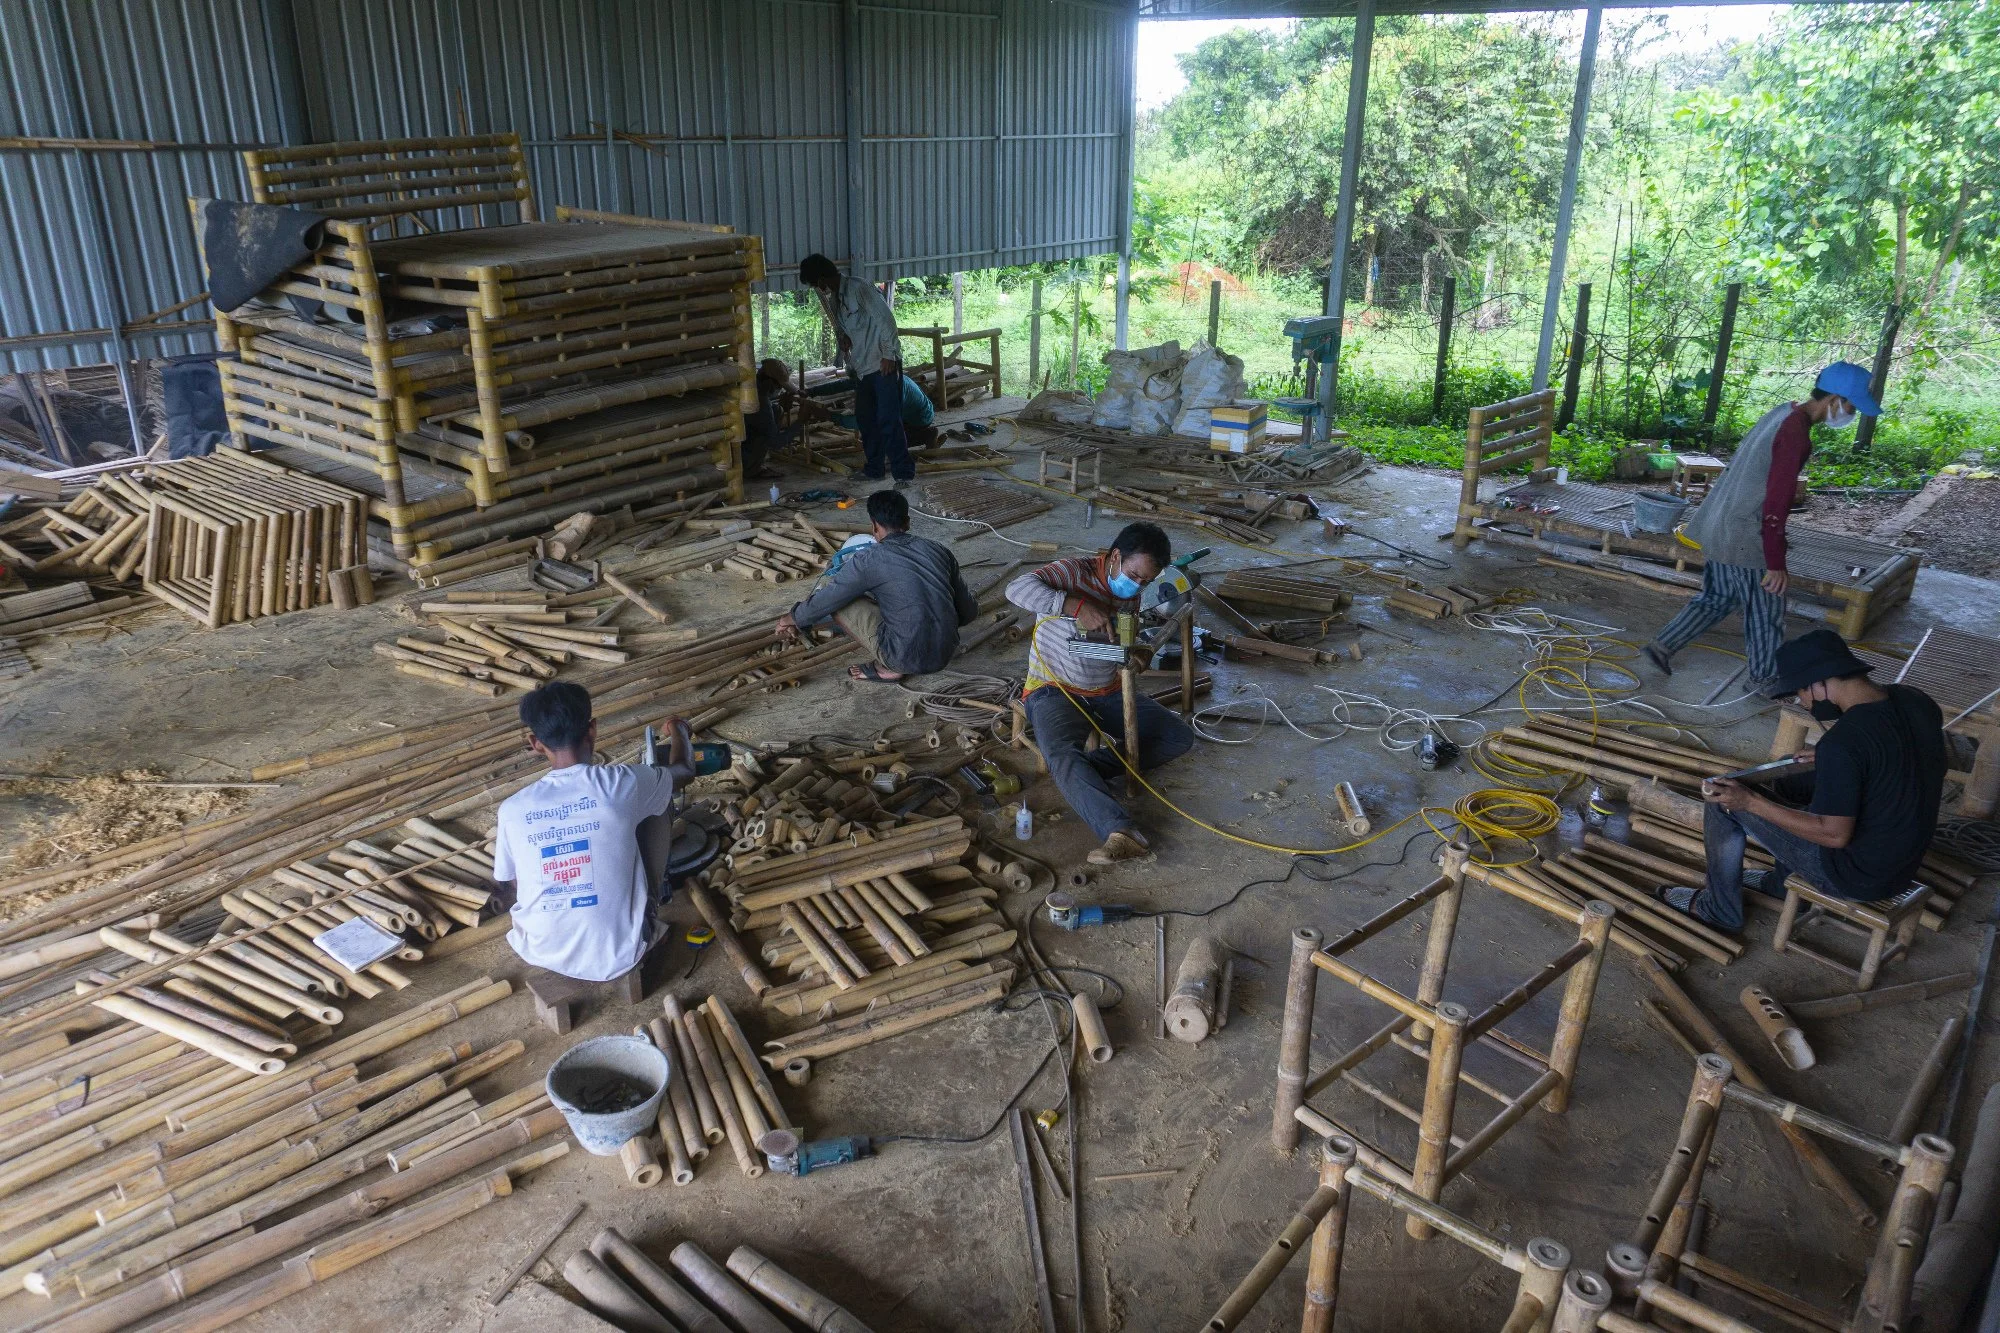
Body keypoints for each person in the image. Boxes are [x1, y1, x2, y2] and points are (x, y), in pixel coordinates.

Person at [1655, 629, 1946, 932]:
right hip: (1903, 862)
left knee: (1723, 800)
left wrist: (1751, 803)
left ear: (1818, 683)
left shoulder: (1843, 743)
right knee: (1790, 776)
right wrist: (1838, 762)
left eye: (1800, 693)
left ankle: (1719, 910)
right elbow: (1920, 763)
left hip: (1856, 877)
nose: (1804, 704)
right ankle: (1781, 884)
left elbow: (1834, 835)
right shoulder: (1916, 700)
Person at [1641, 362, 1880, 688]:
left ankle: (1661, 646)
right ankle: (1765, 681)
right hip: (1745, 533)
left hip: (1722, 523)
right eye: (1851, 406)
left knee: (1718, 598)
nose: (1851, 414)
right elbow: (1776, 503)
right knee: (1766, 609)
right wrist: (1775, 563)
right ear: (1835, 399)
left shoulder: (1784, 412)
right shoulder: (1795, 434)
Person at [1007, 522, 1196, 865]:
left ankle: (1079, 775)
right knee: (1063, 751)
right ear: (1115, 557)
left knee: (1177, 737)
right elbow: (1016, 589)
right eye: (1134, 575)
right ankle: (1122, 831)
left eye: (1146, 582)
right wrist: (1073, 605)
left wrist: (1137, 651)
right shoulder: (1071, 571)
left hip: (1107, 689)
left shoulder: (1131, 593)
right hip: (1054, 688)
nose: (1137, 586)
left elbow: (1120, 642)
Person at [491, 682, 696, 981]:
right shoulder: (622, 783)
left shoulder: (511, 809)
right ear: (593, 729)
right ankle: (648, 908)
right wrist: (679, 729)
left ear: (535, 743)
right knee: (659, 801)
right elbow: (685, 772)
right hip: (619, 953)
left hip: (538, 947)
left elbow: (510, 881)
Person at [776, 488, 976, 683]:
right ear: (907, 522)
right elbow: (968, 612)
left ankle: (888, 669)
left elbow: (829, 598)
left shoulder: (869, 559)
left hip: (902, 657)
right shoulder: (938, 549)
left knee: (840, 600)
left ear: (874, 526)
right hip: (947, 651)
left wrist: (793, 617)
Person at [799, 253, 913, 484]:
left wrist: (890, 354)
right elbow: (846, 330)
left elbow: (886, 320)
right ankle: (874, 469)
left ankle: (903, 473)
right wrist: (844, 339)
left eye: (815, 285)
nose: (818, 290)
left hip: (882, 364)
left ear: (821, 280)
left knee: (888, 419)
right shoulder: (835, 301)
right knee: (866, 419)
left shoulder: (859, 288)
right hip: (863, 368)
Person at [740, 358, 797, 480]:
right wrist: (800, 422)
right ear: (769, 382)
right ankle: (750, 469)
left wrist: (783, 407)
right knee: (774, 417)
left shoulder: (751, 386)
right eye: (778, 386)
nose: (779, 389)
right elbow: (775, 443)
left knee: (777, 410)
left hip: (742, 444)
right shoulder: (759, 402)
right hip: (741, 455)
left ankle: (754, 465)